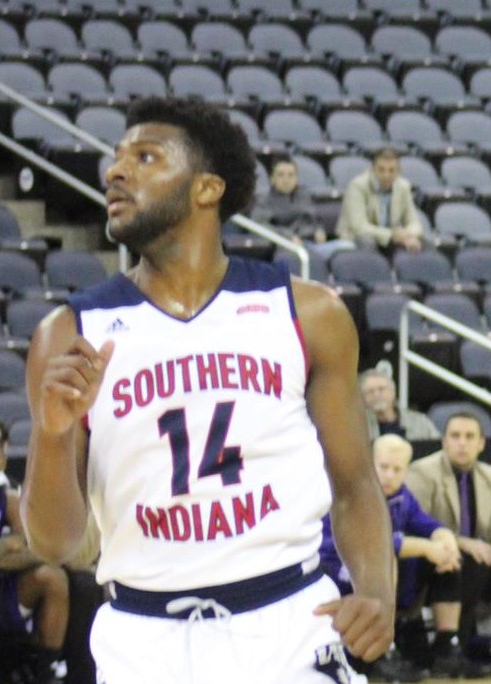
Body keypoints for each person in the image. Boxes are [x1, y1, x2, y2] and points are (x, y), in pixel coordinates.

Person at [21, 97, 395, 684]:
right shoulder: (69, 335)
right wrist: (51, 432)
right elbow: (56, 542)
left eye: (145, 157)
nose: (115, 171)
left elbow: (354, 485)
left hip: (286, 624)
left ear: (207, 189)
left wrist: (376, 595)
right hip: (143, 638)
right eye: (116, 159)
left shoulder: (308, 313)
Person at [406, 411, 491, 676]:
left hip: (472, 559)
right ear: (444, 441)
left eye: (470, 437)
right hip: (433, 560)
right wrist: (463, 543)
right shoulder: (423, 472)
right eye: (455, 436)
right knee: (470, 558)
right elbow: (417, 526)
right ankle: (454, 645)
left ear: (481, 443)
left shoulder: (490, 475)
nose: (462, 442)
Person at [319, 435, 459, 683]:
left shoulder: (403, 496)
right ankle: (383, 653)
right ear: (370, 463)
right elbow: (372, 543)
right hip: (336, 566)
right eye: (383, 467)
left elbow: (423, 522)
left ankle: (447, 643)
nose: (390, 475)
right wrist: (426, 547)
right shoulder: (354, 493)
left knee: (449, 559)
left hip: (379, 570)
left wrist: (443, 535)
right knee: (386, 560)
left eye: (397, 469)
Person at [1, 479, 70, 683]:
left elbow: (34, 546)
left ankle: (47, 670)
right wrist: (8, 545)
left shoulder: (9, 500)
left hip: (5, 594)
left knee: (53, 577)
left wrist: (8, 553)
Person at [251, 155, 353, 262]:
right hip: (287, 248)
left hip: (312, 245)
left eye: (291, 175)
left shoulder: (303, 195)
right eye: (281, 175)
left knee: (348, 246)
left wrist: (318, 230)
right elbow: (259, 227)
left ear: (296, 178)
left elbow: (313, 218)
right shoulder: (264, 200)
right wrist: (287, 237)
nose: (286, 180)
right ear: (272, 179)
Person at [336, 147, 425, 253]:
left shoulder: (403, 187)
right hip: (357, 238)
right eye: (381, 169)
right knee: (368, 242)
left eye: (391, 170)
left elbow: (415, 223)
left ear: (398, 171)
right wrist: (392, 235)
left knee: (423, 244)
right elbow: (359, 227)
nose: (386, 175)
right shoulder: (357, 186)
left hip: (390, 239)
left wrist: (407, 235)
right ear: (373, 169)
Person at [360, 368, 440, 442]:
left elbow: (437, 448)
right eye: (370, 392)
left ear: (393, 392)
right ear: (363, 398)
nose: (376, 395)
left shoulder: (420, 422)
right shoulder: (359, 427)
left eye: (381, 389)